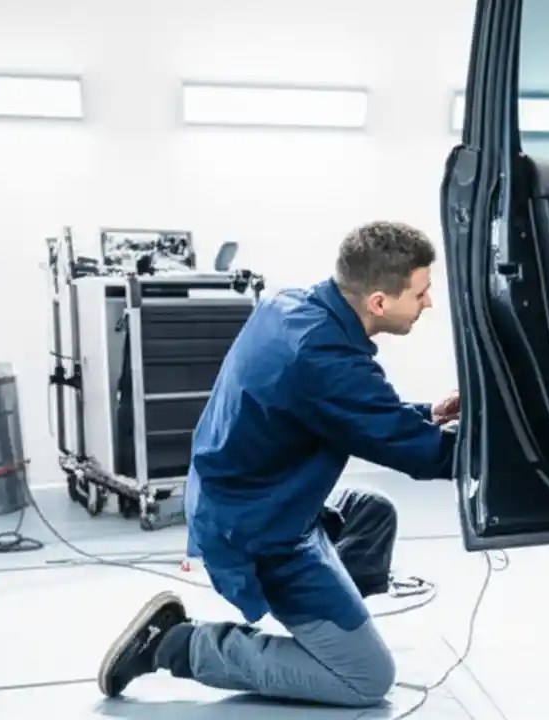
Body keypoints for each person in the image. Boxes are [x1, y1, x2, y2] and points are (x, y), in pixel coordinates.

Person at [97, 221, 460, 707]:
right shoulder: (325, 359)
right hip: (260, 529)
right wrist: (514, 452)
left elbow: (359, 413)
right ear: (378, 302)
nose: (428, 302)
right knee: (366, 679)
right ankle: (175, 644)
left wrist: (428, 413)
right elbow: (421, 452)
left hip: (242, 494)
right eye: (420, 293)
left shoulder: (295, 307)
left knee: (372, 513)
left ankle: (329, 625)